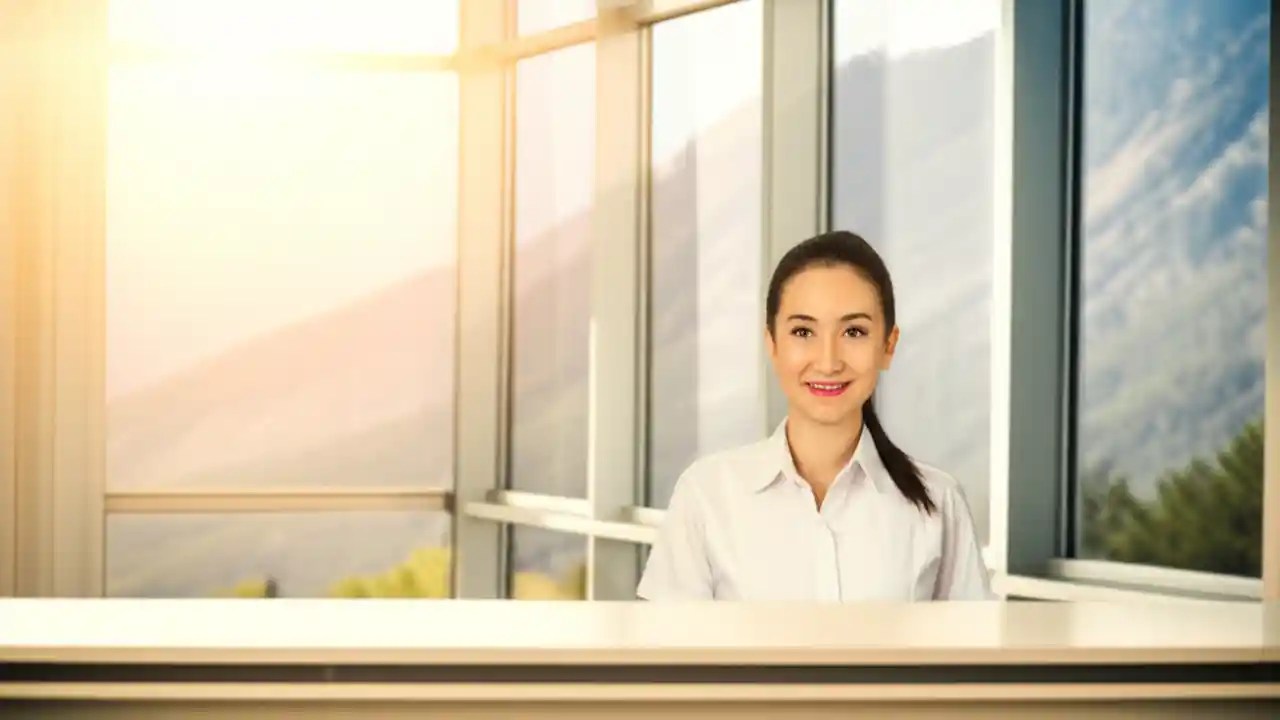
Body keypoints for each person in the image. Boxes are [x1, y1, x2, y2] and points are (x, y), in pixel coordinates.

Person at [637, 230, 993, 601]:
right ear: (772, 344)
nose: (827, 361)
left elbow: (972, 655)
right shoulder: (706, 495)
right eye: (803, 331)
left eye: (854, 331)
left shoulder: (939, 504)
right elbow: (666, 653)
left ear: (888, 346)